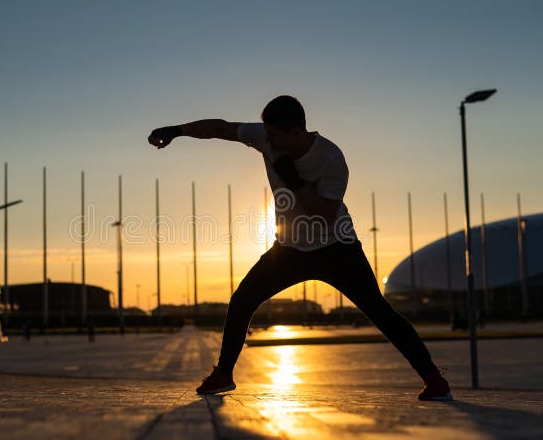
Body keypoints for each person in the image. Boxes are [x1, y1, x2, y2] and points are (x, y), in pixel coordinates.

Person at [147, 95, 452, 401]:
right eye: (266, 135)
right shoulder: (267, 137)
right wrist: (177, 130)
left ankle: (434, 379)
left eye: (274, 137)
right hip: (289, 249)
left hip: (336, 248)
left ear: (296, 132)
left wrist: (294, 181)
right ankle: (223, 375)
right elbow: (221, 128)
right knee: (242, 301)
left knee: (380, 312)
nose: (268, 142)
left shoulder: (331, 159)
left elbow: (323, 216)